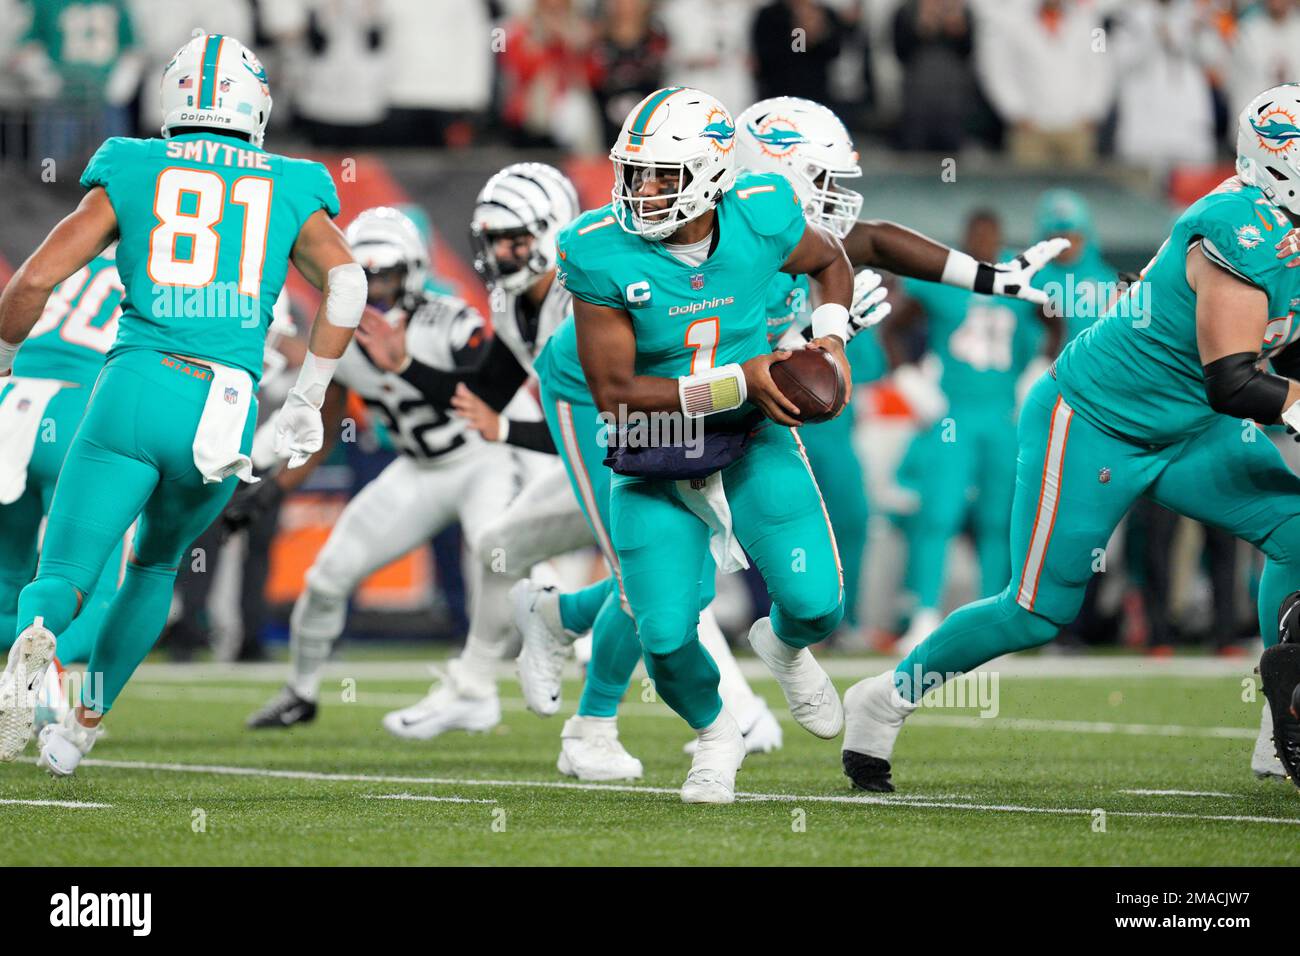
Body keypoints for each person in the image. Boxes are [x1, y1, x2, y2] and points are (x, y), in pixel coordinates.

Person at [841, 84, 1300, 792]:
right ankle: (886, 697)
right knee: (1035, 613)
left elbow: (1283, 348)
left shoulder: (1284, 229)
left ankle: (1284, 717)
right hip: (1096, 423)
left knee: (1297, 531)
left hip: (1190, 428)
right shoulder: (1237, 225)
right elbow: (1234, 381)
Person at [0, 31, 363, 776]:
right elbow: (349, 285)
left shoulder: (132, 164)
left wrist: (5, 360)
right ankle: (78, 732)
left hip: (132, 385)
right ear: (256, 103)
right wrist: (306, 397)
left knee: (65, 569)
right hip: (223, 404)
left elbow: (33, 283)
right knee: (158, 568)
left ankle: (32, 640)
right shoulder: (290, 180)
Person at [245, 206, 530, 738]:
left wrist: (404, 364)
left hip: (480, 462)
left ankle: (515, 671)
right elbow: (321, 425)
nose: (376, 290)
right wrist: (268, 484)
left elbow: (486, 392)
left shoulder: (449, 321)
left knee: (497, 558)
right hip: (416, 471)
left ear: (414, 272)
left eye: (388, 275)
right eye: (366, 276)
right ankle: (301, 693)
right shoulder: (340, 337)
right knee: (326, 579)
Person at [885, 210, 1052, 653]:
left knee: (1000, 519)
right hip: (952, 414)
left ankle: (993, 614)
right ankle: (924, 614)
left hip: (1003, 415)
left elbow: (1056, 325)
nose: (984, 241)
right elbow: (893, 328)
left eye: (991, 234)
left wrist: (1033, 373)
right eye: (977, 234)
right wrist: (911, 382)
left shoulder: (1017, 280)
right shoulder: (948, 278)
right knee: (939, 514)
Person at [0, 249, 125, 728]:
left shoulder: (67, 252)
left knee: (11, 574)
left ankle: (22, 679)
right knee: (97, 580)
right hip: (79, 408)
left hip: (10, 397)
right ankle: (44, 666)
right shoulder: (163, 267)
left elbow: (24, 293)